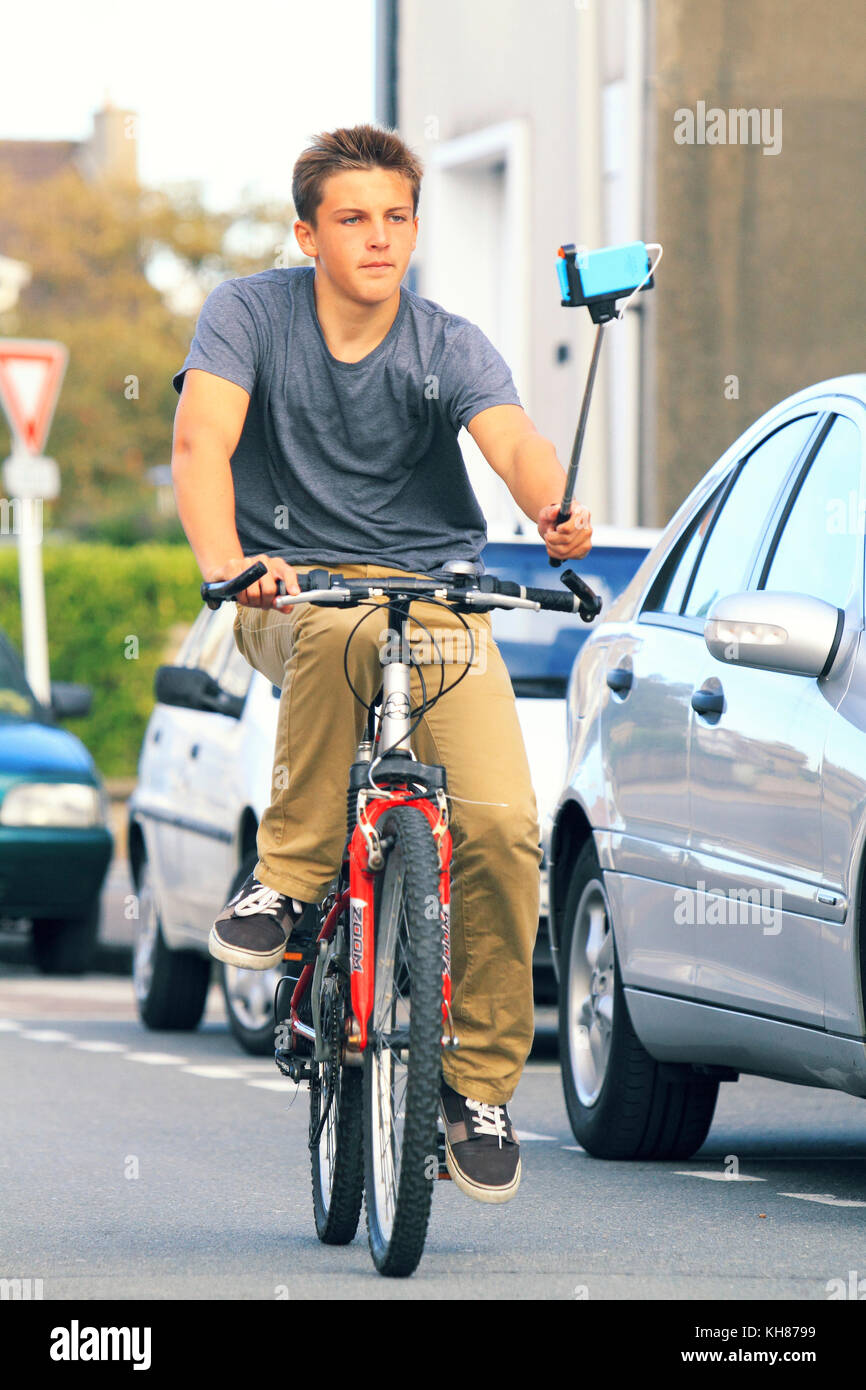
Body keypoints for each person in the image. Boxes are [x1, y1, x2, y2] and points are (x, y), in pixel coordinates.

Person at [171, 123, 592, 1203]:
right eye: (352, 219)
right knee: (344, 628)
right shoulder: (248, 315)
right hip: (289, 589)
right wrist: (229, 567)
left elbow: (511, 438)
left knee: (499, 826)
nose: (378, 238)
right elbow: (198, 444)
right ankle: (288, 876)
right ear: (307, 232)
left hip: (433, 595)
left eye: (397, 217)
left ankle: (478, 1084)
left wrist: (548, 507)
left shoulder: (444, 342)